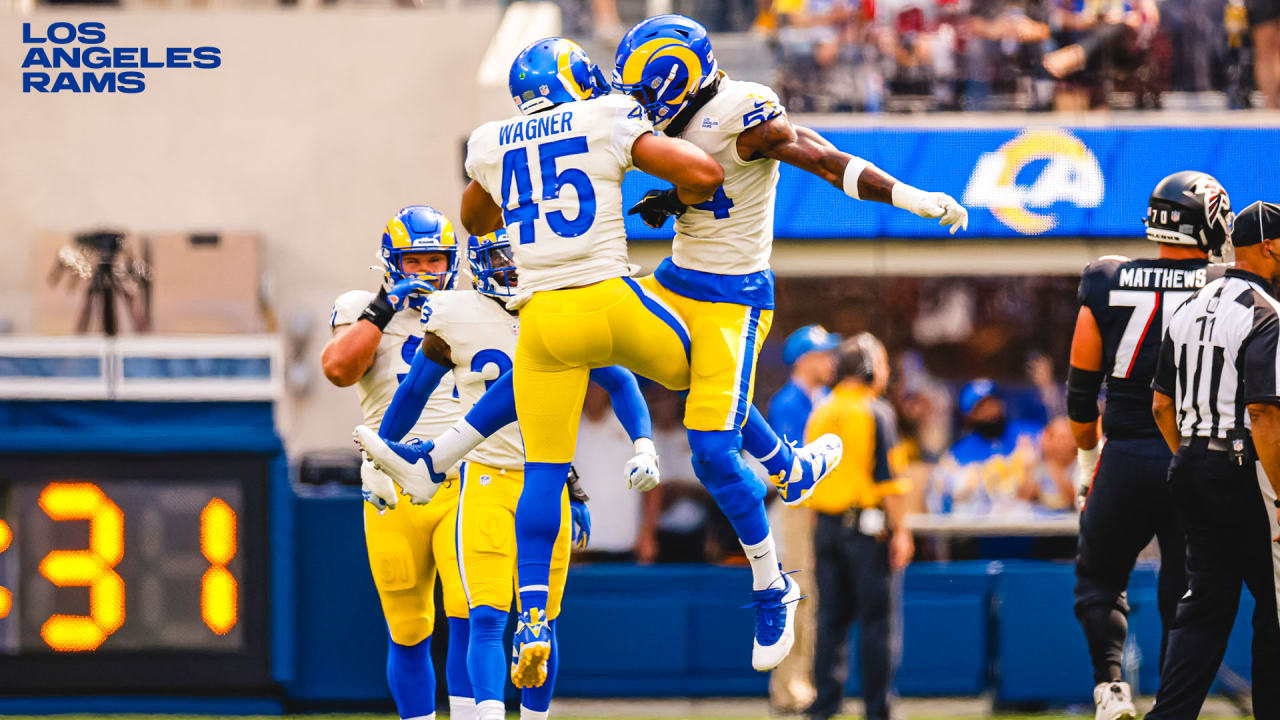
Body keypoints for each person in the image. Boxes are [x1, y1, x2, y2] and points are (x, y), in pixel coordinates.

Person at [447, 36, 844, 683]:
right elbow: (702, 173)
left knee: (543, 474)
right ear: (578, 78)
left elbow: (475, 215)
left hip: (544, 320)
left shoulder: (496, 140)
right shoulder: (602, 114)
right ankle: (787, 492)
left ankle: (534, 619)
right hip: (606, 294)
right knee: (711, 378)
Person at [614, 12, 965, 670]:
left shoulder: (745, 112)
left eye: (646, 93)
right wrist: (673, 201)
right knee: (587, 329)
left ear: (679, 81)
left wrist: (913, 197)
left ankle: (773, 585)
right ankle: (791, 467)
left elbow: (826, 161)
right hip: (675, 279)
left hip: (731, 299)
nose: (640, 109)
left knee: (711, 451)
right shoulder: (677, 118)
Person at [355, 228, 655, 720]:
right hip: (485, 479)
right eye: (503, 258)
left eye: (521, 257)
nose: (514, 267)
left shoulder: (565, 308)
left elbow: (620, 383)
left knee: (543, 622)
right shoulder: (457, 314)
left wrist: (641, 445)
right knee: (485, 617)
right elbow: (410, 394)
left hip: (547, 479)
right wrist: (380, 456)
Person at [1066, 170, 1232, 720]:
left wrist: (1088, 460)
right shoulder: (1227, 284)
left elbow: (1081, 390)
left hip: (1127, 454)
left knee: (1098, 576)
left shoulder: (1105, 278)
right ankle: (1173, 703)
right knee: (1187, 590)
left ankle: (1111, 688)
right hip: (1198, 455)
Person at [320, 204, 471, 720]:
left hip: (464, 477)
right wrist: (382, 309)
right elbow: (339, 370)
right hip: (390, 484)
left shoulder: (470, 305)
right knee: (408, 629)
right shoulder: (363, 306)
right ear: (391, 263)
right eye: (415, 260)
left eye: (435, 260)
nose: (426, 271)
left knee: (473, 617)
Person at [1146, 200, 1280, 720]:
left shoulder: (1185, 306)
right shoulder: (1265, 313)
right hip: (1246, 467)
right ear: (1269, 246)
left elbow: (1161, 404)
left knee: (1203, 608)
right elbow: (1265, 414)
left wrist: (1191, 460)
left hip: (1193, 459)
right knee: (1272, 612)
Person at [802, 333, 913, 720]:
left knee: (830, 621)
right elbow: (890, 482)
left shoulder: (821, 411)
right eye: (882, 363)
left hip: (827, 528)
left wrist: (817, 534)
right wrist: (901, 531)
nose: (886, 372)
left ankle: (824, 708)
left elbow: (808, 481)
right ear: (868, 367)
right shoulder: (875, 412)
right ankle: (878, 710)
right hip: (867, 530)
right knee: (877, 622)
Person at [765, 324, 838, 713]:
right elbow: (791, 473)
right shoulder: (789, 402)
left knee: (816, 600)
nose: (830, 361)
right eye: (824, 354)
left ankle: (806, 683)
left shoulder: (824, 398)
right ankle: (789, 688)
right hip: (795, 509)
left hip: (821, 511)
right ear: (805, 359)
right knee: (795, 595)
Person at [929, 379, 1042, 515]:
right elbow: (939, 502)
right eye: (982, 407)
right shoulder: (957, 455)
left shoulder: (1033, 435)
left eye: (993, 402)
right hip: (981, 532)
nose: (991, 410)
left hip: (1037, 529)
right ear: (969, 416)